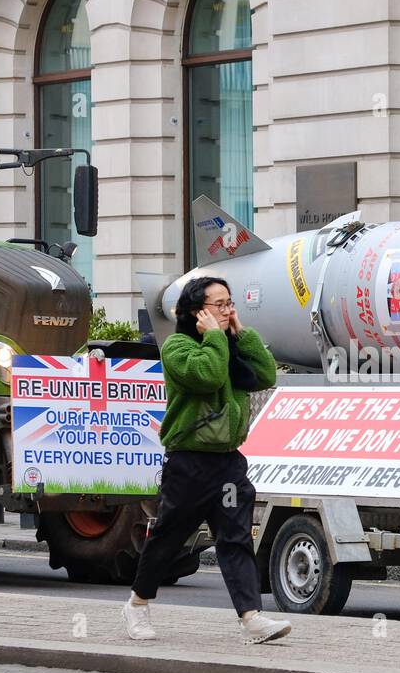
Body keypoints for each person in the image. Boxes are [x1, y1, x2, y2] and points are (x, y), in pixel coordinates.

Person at [123, 276, 290, 644]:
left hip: (228, 462)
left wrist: (240, 332)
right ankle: (137, 604)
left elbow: (264, 374)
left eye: (231, 303)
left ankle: (251, 617)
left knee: (236, 536)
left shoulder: (227, 345)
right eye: (220, 305)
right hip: (189, 461)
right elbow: (207, 376)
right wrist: (216, 336)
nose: (228, 310)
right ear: (197, 311)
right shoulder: (177, 348)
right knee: (169, 537)